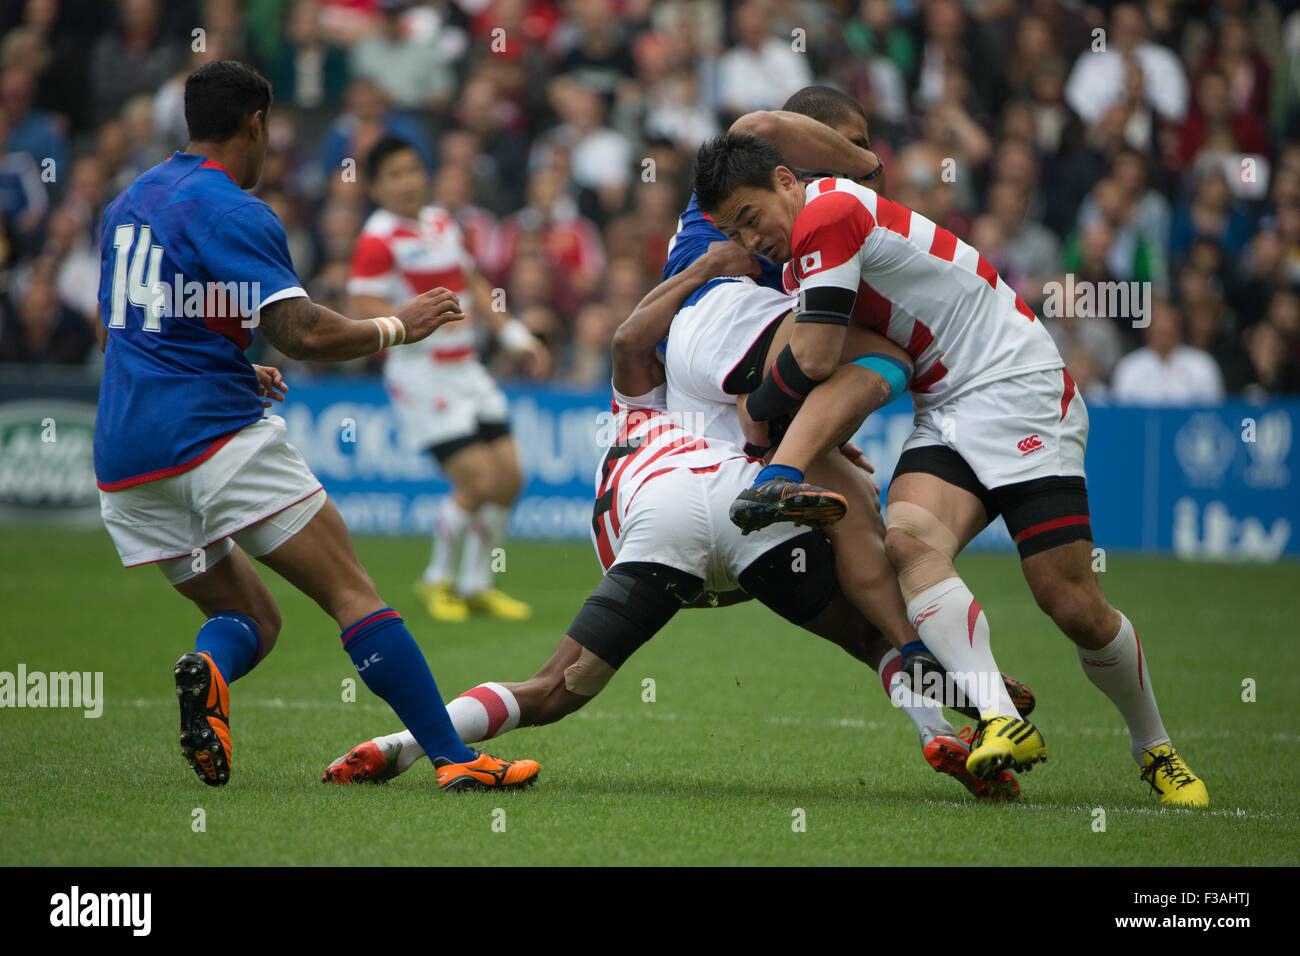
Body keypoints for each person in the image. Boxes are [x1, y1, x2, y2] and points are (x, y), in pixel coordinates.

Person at [325, 239, 1026, 801]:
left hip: (657, 526)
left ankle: (400, 747)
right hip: (750, 505)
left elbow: (630, 340)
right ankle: (945, 717)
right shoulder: (746, 406)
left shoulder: (637, 408)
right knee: (876, 637)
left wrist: (701, 269)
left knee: (553, 691)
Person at [690, 131, 1208, 806]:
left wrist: (755, 412)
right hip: (947, 404)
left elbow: (815, 359)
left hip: (1016, 385)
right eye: (734, 230)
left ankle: (1156, 749)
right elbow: (861, 358)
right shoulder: (802, 257)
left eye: (750, 219)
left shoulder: (828, 212)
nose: (751, 238)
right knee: (908, 543)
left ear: (786, 180)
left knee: (1070, 601)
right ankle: (1000, 720)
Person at [94, 60, 537, 792]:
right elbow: (299, 332)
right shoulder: (233, 208)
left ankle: (209, 668)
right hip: (211, 437)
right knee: (353, 593)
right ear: (257, 125)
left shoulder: (129, 201)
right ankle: (455, 758)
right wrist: (399, 325)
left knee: (252, 618)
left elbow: (134, 332)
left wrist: (234, 364)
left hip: (126, 459)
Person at [349, 135, 550, 622]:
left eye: (412, 170)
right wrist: (412, 319)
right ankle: (436, 579)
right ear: (375, 186)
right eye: (394, 175)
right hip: (422, 376)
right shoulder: (377, 239)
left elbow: (474, 283)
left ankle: (476, 583)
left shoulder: (440, 222)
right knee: (477, 480)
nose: (407, 182)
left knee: (509, 478)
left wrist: (515, 336)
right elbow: (362, 306)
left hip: (467, 369)